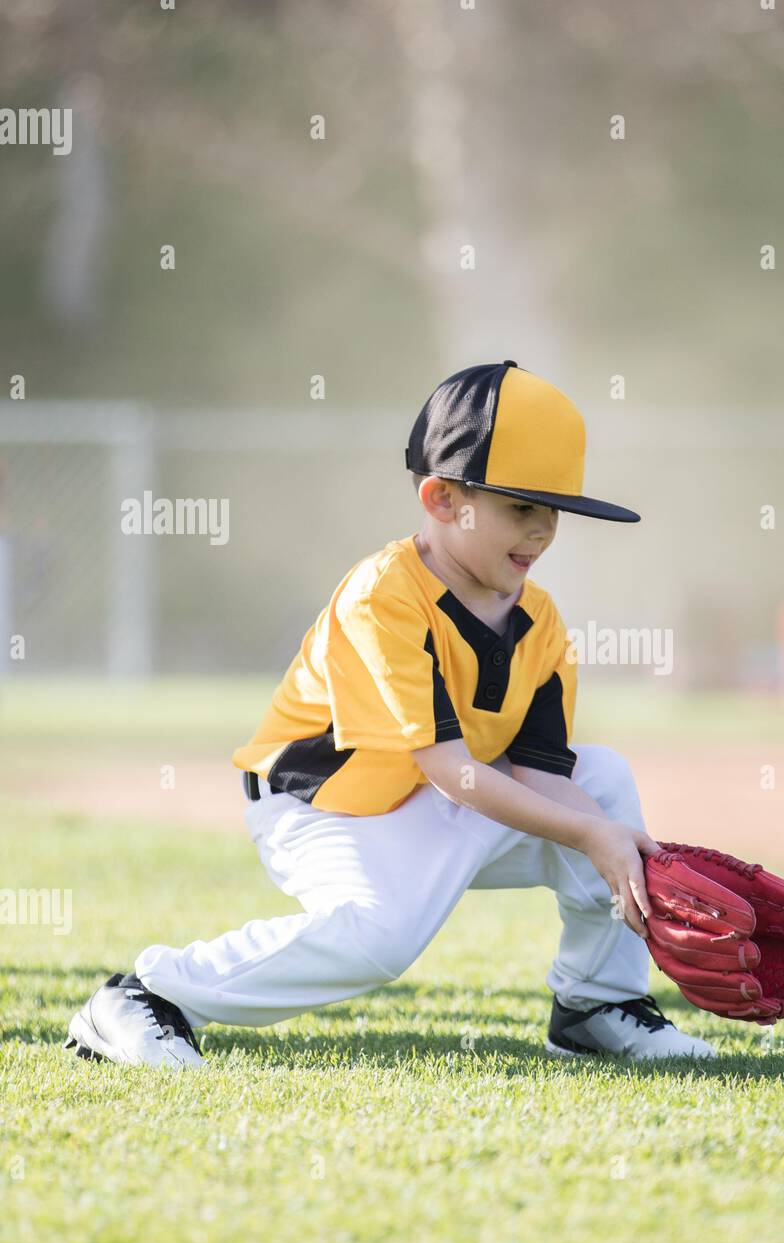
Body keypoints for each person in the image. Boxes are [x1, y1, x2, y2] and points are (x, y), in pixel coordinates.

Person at [65, 361, 715, 1066]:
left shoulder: (540, 620)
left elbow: (538, 772)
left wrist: (613, 842)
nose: (541, 532)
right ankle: (145, 995)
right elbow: (448, 772)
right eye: (520, 508)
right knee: (378, 938)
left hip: (444, 793)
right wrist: (590, 834)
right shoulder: (384, 596)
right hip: (324, 806)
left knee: (605, 782)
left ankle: (596, 1005)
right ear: (440, 498)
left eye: (553, 512)